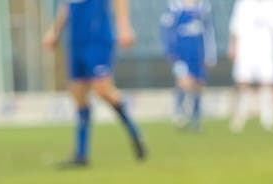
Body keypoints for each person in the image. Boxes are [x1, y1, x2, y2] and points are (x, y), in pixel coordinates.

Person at [43, 0, 146, 167]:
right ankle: (81, 154)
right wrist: (54, 31)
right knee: (77, 93)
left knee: (103, 90)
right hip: (76, 41)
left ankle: (135, 133)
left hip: (97, 39)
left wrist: (124, 26)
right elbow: (66, 6)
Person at [227, 0, 273, 132]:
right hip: (246, 47)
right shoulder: (243, 3)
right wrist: (233, 45)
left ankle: (267, 119)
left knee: (267, 81)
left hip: (267, 47)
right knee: (243, 81)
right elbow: (235, 26)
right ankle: (240, 116)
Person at [160, 0, 217, 130]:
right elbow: (166, 30)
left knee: (198, 84)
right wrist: (170, 51)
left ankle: (196, 118)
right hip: (181, 54)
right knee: (184, 81)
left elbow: (209, 32)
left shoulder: (203, 8)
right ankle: (179, 114)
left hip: (198, 53)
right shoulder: (175, 7)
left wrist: (210, 55)